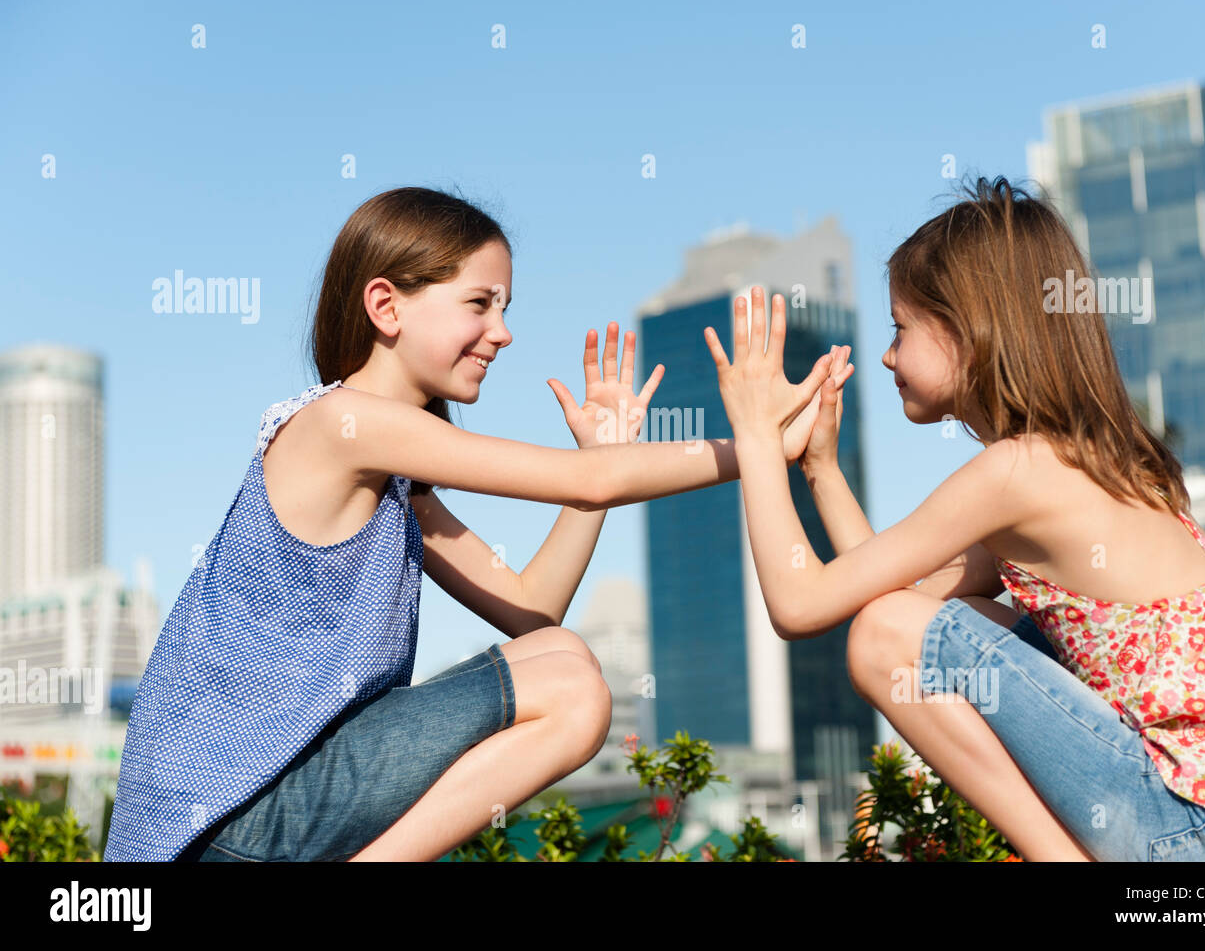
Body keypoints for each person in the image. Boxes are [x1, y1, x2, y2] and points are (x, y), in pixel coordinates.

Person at [103, 186, 853, 862]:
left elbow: (535, 610)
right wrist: (755, 444)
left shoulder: (393, 483)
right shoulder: (342, 425)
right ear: (386, 306)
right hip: (233, 822)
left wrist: (599, 467)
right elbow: (590, 486)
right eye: (479, 303)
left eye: (506, 309)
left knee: (562, 658)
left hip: (277, 808)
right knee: (574, 687)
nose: (503, 332)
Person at [706, 175, 1205, 862]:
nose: (886, 354)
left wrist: (753, 434)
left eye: (901, 328)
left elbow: (801, 604)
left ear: (969, 328)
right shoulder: (1094, 465)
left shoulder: (1019, 471)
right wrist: (821, 470)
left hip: (1203, 838)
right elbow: (892, 598)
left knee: (883, 638)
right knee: (954, 622)